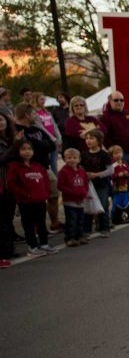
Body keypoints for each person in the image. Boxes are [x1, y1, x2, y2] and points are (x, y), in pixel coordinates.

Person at [12, 102, 61, 231]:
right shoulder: (17, 130)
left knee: (54, 194)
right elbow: (24, 148)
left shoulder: (37, 129)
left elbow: (51, 145)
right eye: (33, 113)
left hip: (45, 167)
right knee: (36, 200)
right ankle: (37, 227)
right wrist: (40, 144)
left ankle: (55, 223)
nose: (36, 116)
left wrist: (38, 143)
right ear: (27, 115)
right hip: (29, 169)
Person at [6, 140, 57, 256]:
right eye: (23, 149)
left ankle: (44, 244)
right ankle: (32, 247)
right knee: (29, 225)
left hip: (40, 200)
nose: (27, 152)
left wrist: (45, 193)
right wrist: (26, 195)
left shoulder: (38, 166)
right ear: (17, 151)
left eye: (29, 149)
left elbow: (45, 181)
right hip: (25, 202)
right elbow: (12, 184)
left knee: (41, 223)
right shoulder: (14, 167)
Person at [81, 129, 112, 238]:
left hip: (101, 184)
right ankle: (86, 230)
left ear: (99, 141)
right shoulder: (83, 155)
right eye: (87, 138)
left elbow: (110, 170)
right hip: (88, 185)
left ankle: (105, 227)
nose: (88, 141)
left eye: (91, 138)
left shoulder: (104, 155)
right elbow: (80, 168)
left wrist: (96, 174)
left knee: (102, 205)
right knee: (88, 206)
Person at [58, 148, 90, 246]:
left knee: (80, 220)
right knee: (71, 220)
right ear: (64, 159)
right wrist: (72, 192)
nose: (72, 160)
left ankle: (79, 236)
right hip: (70, 200)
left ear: (79, 159)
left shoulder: (81, 171)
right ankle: (70, 238)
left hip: (81, 200)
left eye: (74, 157)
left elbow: (85, 183)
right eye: (69, 158)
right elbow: (60, 186)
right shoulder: (63, 172)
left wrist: (85, 192)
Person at [0, 112, 16, 266]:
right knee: (3, 220)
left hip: (13, 183)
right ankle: (5, 251)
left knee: (8, 218)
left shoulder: (11, 138)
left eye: (2, 119)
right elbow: (2, 159)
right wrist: (15, 147)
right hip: (2, 184)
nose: (1, 122)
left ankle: (10, 248)